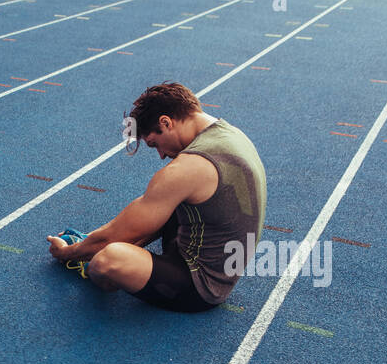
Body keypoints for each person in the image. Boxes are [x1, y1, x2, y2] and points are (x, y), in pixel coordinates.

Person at [48, 82, 266, 312]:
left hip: (201, 285)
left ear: (166, 122)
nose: (161, 155)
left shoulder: (190, 166)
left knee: (106, 261)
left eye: (154, 144)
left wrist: (68, 253)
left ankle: (87, 260)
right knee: (156, 204)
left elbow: (123, 232)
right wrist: (93, 240)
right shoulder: (230, 134)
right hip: (218, 259)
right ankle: (92, 245)